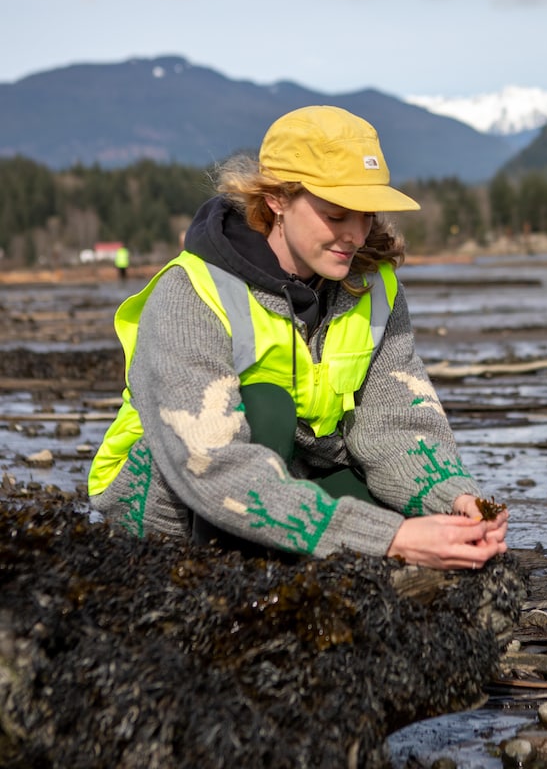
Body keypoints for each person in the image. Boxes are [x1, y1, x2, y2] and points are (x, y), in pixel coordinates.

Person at [88, 105, 508, 570]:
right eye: (336, 214)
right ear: (276, 200)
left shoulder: (376, 289)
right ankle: (231, 585)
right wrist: (392, 539)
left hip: (293, 476)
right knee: (268, 406)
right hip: (166, 500)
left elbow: (394, 424)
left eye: (366, 214)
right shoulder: (191, 292)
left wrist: (454, 501)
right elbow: (211, 463)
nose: (355, 234)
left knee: (406, 523)